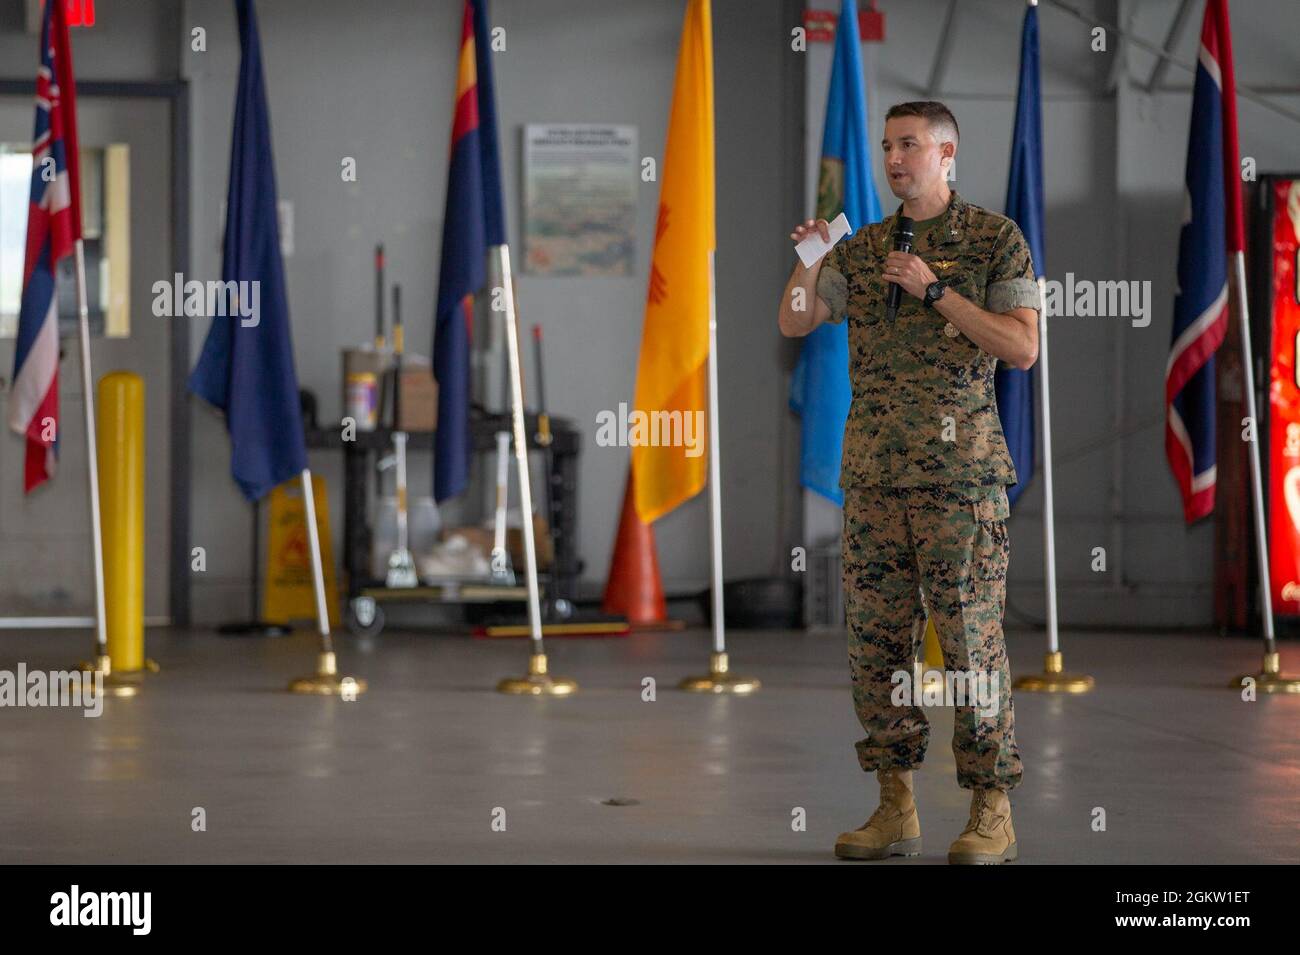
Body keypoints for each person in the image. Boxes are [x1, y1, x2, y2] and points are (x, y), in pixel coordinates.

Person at [777, 100, 1039, 864]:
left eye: (910, 145)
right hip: (875, 480)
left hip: (961, 484)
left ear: (947, 152)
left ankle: (992, 810)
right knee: (878, 650)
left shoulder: (995, 239)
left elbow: (1022, 348)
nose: (895, 158)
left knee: (969, 646)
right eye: (888, 145)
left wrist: (936, 291)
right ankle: (895, 806)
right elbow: (794, 320)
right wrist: (811, 256)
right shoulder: (863, 249)